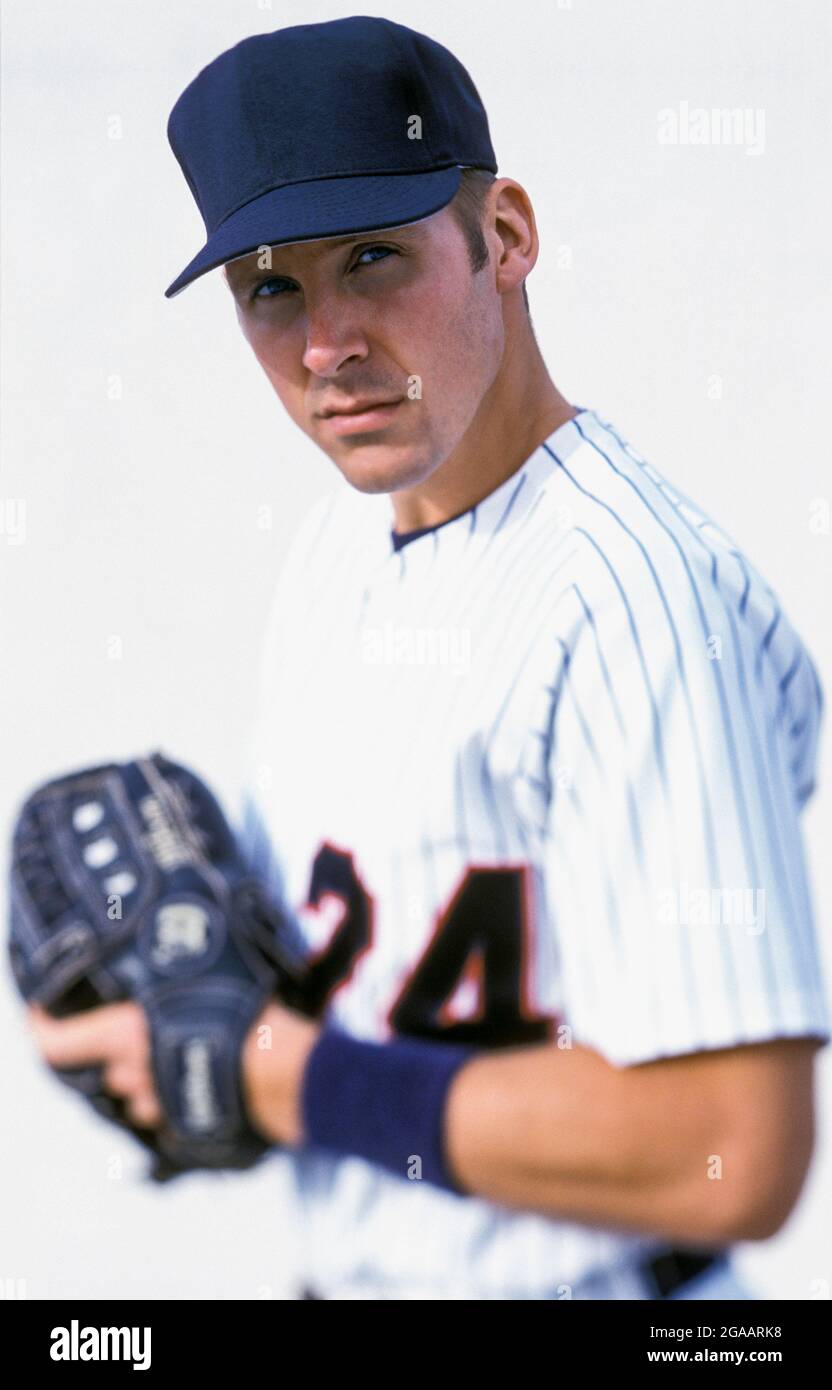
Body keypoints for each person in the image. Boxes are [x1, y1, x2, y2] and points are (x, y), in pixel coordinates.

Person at [28, 16, 830, 1301]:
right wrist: (160, 1016)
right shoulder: (335, 551)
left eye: (372, 257)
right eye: (271, 287)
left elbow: (732, 1145)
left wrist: (279, 1079)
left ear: (503, 236)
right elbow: (360, 988)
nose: (326, 344)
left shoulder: (636, 601)